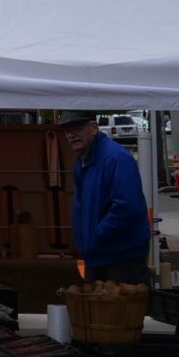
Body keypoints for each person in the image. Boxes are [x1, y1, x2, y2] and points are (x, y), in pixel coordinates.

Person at [58, 112, 152, 284]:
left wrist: (96, 236)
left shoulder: (116, 158)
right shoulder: (82, 162)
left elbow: (127, 207)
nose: (71, 135)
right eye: (67, 131)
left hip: (121, 257)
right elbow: (82, 208)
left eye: (77, 128)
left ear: (94, 128)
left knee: (121, 308)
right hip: (98, 254)